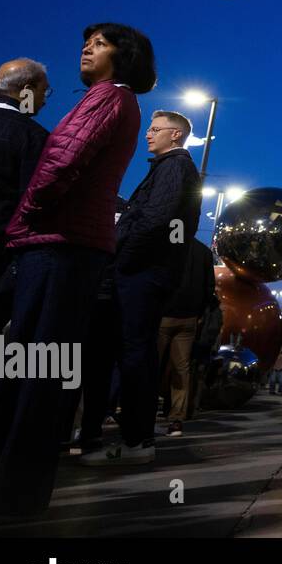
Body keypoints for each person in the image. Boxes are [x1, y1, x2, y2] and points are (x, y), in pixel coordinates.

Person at [0, 23, 154, 516]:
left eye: (100, 43)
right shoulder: (109, 99)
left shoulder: (109, 98)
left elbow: (60, 160)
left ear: (125, 56)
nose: (87, 47)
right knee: (33, 369)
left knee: (35, 371)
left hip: (61, 243)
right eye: (87, 41)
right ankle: (6, 488)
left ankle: (10, 495)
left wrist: (24, 217)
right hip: (65, 242)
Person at [82, 108, 201, 466]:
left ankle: (136, 439)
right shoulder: (170, 168)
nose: (148, 134)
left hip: (141, 274)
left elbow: (154, 219)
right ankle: (134, 438)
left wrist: (121, 256)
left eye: (155, 129)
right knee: (134, 354)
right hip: (144, 273)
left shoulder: (175, 168)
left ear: (176, 135)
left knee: (135, 355)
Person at [0, 58, 51, 358]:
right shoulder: (33, 138)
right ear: (26, 90)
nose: (45, 101)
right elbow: (33, 208)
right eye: (44, 92)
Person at [156, 237, 218, 437]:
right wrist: (199, 313)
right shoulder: (203, 252)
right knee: (181, 370)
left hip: (163, 314)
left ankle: (141, 416)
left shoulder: (167, 244)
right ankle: (176, 419)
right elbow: (209, 289)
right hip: (189, 318)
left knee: (151, 366)